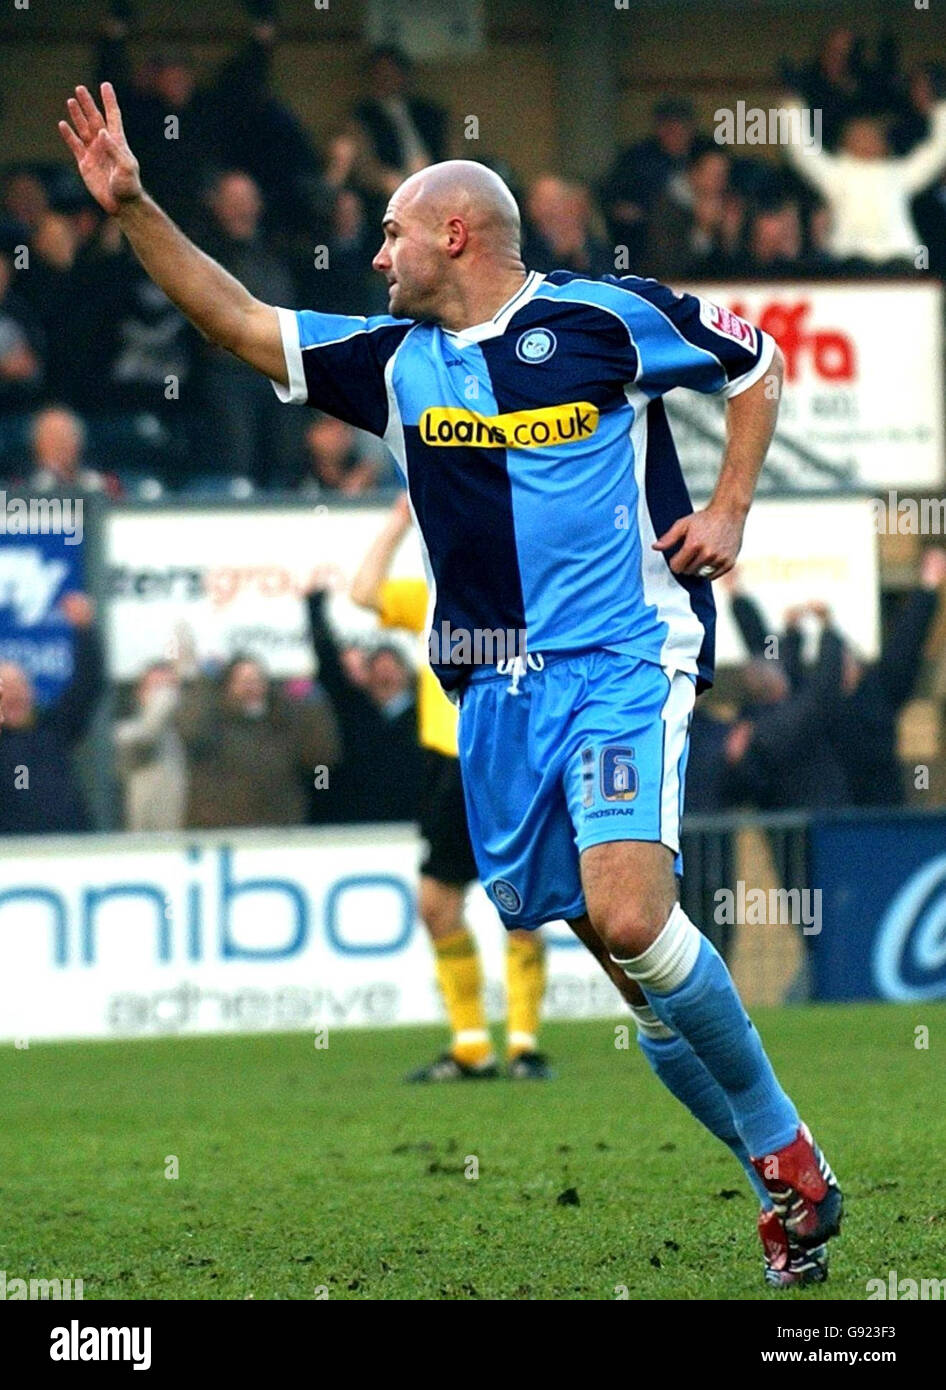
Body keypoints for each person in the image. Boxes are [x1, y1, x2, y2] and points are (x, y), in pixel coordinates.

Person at [58, 81, 844, 1289]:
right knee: (630, 968)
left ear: (455, 237)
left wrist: (730, 506)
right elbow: (235, 320)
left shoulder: (605, 320)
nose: (374, 253)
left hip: (624, 658)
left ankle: (787, 1151)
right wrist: (133, 206)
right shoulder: (389, 366)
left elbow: (755, 363)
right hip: (492, 694)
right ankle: (779, 1175)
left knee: (634, 915)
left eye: (389, 234)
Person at [351, 495, 551, 1081]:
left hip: (510, 760)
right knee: (436, 905)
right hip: (448, 767)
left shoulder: (525, 594)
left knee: (520, 907)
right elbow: (362, 593)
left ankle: (523, 1045)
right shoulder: (430, 597)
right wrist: (396, 522)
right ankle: (471, 1046)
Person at [177, 655, 340, 829]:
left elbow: (321, 762)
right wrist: (203, 684)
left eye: (256, 680)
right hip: (223, 834)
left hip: (278, 833)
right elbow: (190, 734)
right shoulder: (214, 728)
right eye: (243, 681)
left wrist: (315, 707)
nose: (250, 687)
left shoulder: (283, 724)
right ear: (228, 687)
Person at [0, 593, 104, 834]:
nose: (14, 695)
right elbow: (21, 783)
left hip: (73, 848)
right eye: (5, 690)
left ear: (32, 692)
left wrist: (85, 630)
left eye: (19, 687)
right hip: (15, 858)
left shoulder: (54, 728)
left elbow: (88, 686)